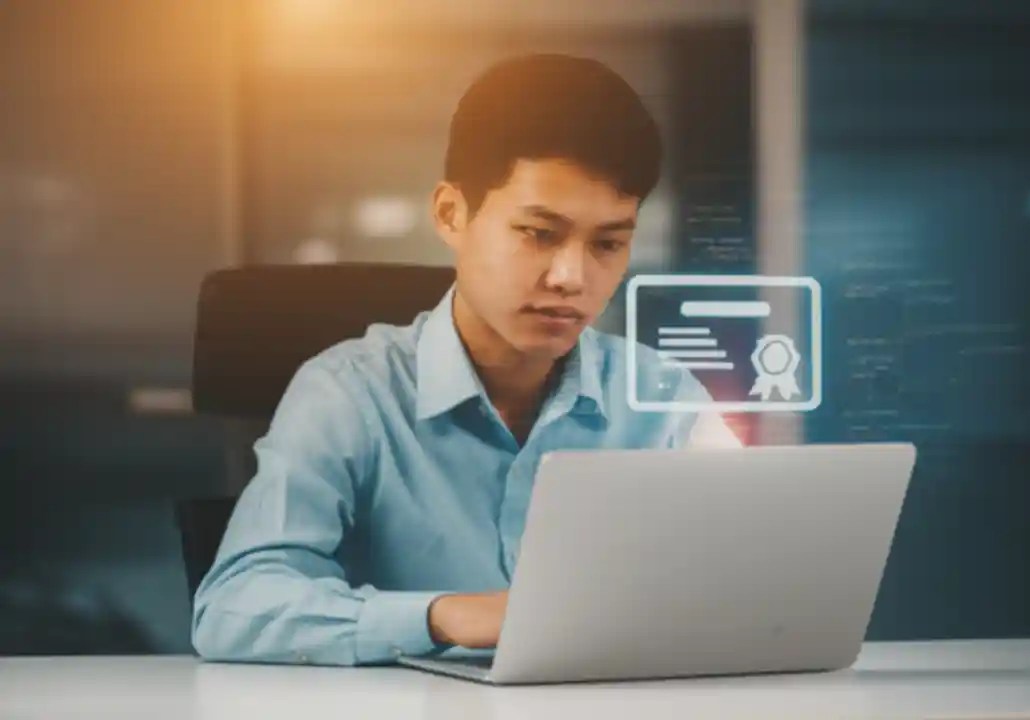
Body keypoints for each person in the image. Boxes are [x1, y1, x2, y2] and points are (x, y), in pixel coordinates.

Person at [191, 54, 739, 666]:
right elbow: (234, 609)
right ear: (452, 214)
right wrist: (444, 616)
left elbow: (752, 592)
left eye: (608, 244)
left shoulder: (664, 400)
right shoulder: (348, 393)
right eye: (539, 233)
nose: (571, 277)